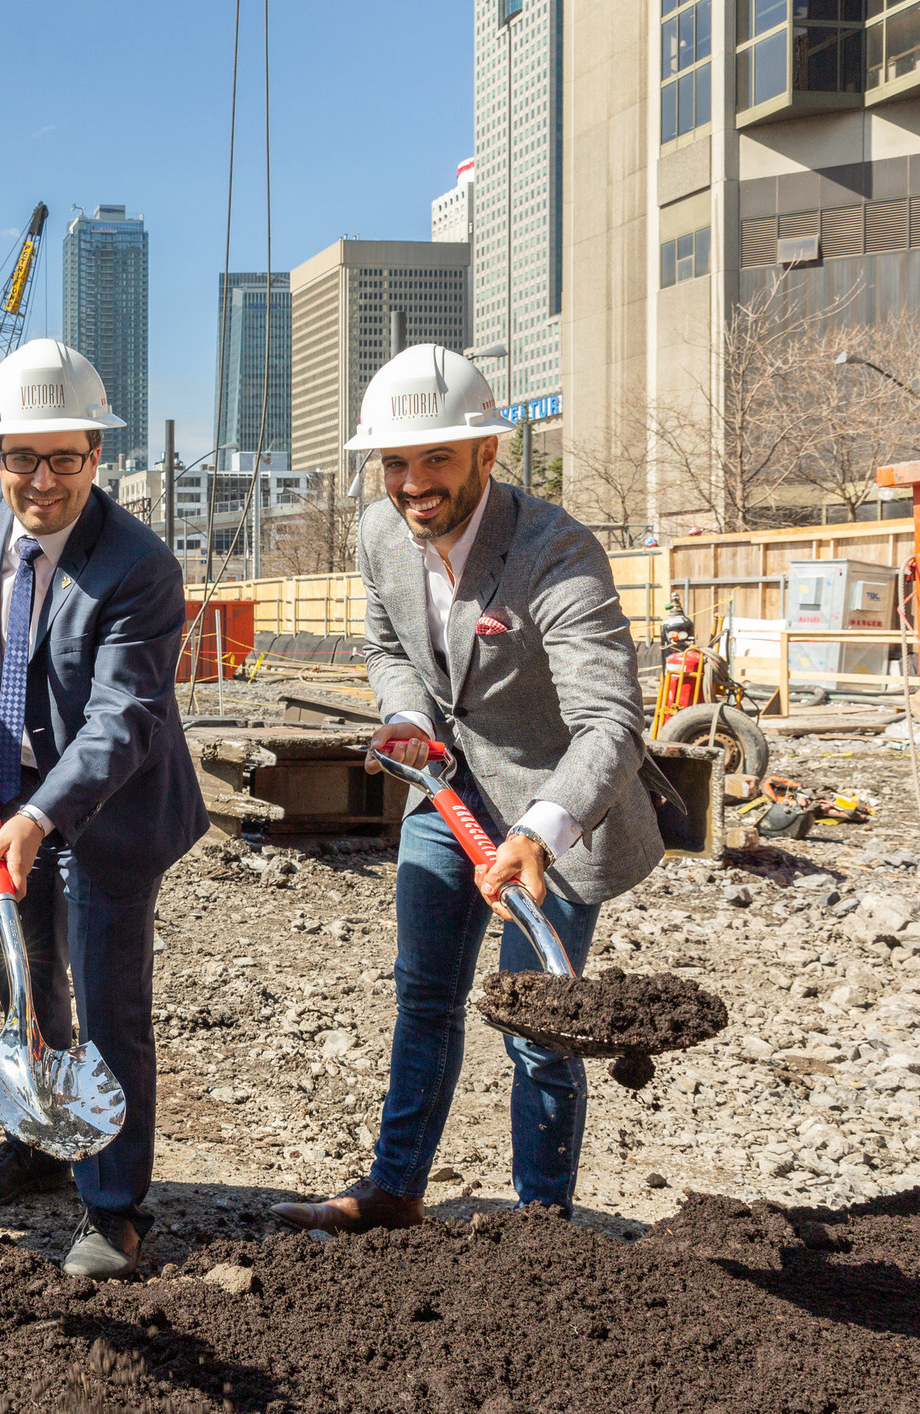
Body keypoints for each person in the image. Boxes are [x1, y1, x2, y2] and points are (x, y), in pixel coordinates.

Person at [269, 344, 666, 1234]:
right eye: (396, 462)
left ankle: (539, 1224)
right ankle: (393, 1190)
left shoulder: (556, 555)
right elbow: (385, 648)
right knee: (424, 999)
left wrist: (540, 829)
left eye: (437, 459)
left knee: (539, 1025)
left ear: (488, 453)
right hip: (442, 796)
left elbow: (608, 723)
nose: (413, 483)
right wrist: (405, 715)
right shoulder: (380, 534)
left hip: (552, 809)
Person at [0, 338, 207, 1279]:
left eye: (65, 459)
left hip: (106, 811)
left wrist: (43, 817)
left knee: (107, 1002)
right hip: (5, 788)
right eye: (21, 458)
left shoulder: (136, 566)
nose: (41, 481)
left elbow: (123, 718)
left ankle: (116, 1207)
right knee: (25, 977)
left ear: (98, 456)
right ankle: (35, 1148)